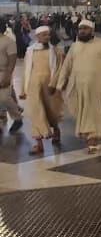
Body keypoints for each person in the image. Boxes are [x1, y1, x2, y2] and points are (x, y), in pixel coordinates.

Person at [56, 20, 101, 154]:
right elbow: (66, 66)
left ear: (92, 30)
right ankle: (89, 136)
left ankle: (93, 140)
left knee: (94, 113)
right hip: (77, 87)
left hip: (97, 87)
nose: (82, 31)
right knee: (81, 112)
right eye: (80, 29)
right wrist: (60, 83)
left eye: (85, 29)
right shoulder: (74, 46)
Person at [20, 26, 64, 154]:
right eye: (44, 35)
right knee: (36, 113)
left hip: (50, 86)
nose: (47, 37)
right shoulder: (30, 51)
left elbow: (59, 69)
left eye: (48, 35)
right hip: (34, 86)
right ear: (37, 37)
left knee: (52, 112)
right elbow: (26, 71)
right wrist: (23, 89)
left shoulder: (55, 51)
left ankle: (56, 130)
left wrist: (54, 84)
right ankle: (38, 143)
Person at [0, 20, 22, 133]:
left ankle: (17, 118)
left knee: (4, 98)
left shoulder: (8, 41)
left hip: (3, 72)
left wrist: (8, 75)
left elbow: (12, 60)